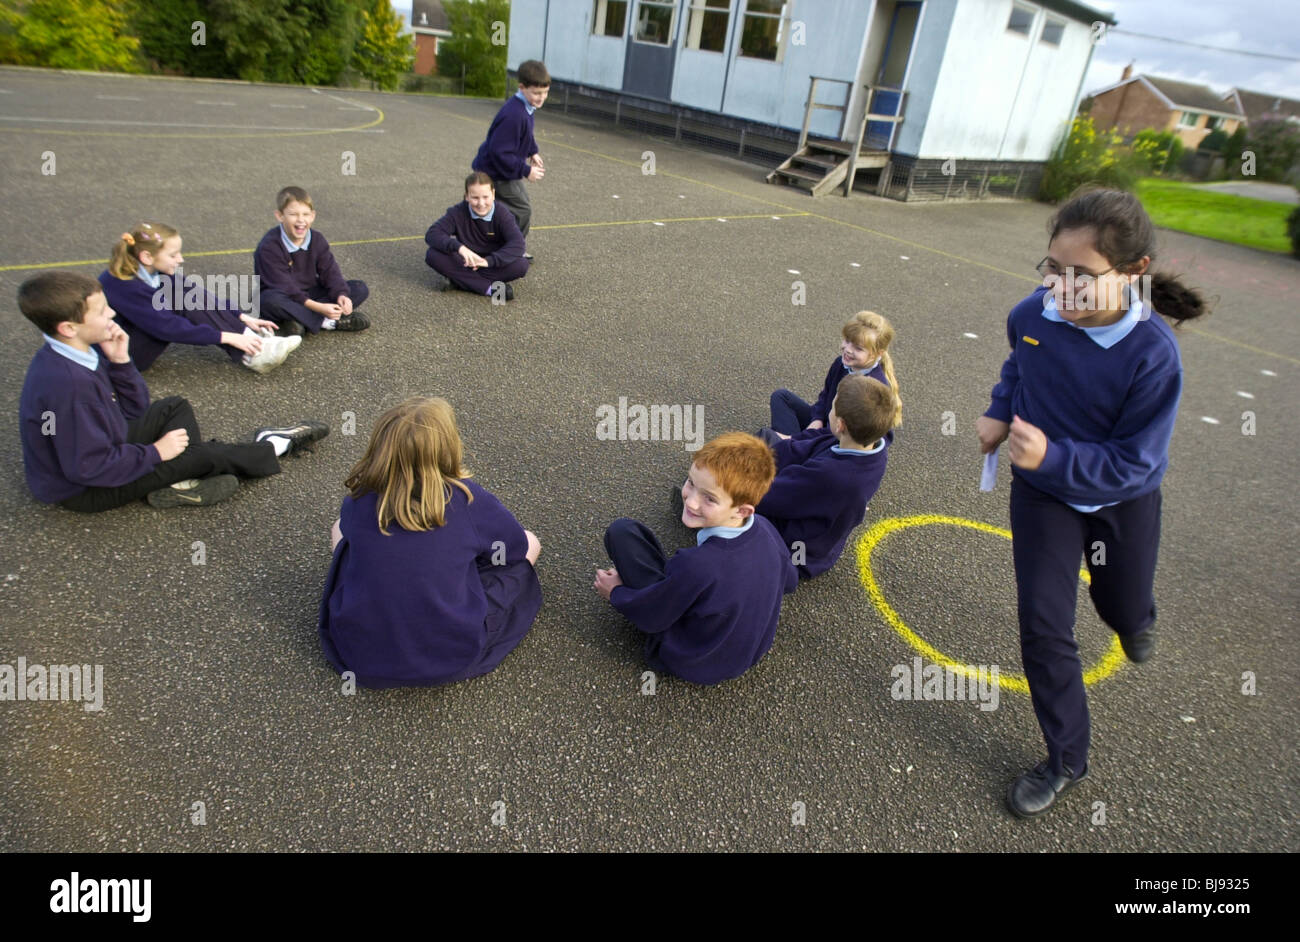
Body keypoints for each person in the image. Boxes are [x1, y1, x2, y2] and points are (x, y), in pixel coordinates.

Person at [975, 186, 1206, 818]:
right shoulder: (1034, 315)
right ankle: (1066, 759)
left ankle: (1135, 621)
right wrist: (1000, 412)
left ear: (1133, 274)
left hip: (1119, 503)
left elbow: (1138, 461)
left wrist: (1053, 455)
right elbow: (1017, 367)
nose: (1062, 287)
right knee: (1044, 630)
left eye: (1082, 275)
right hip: (1043, 497)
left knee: (1119, 602)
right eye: (1054, 268)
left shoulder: (1153, 353)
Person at [17, 271, 328, 512]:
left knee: (174, 408)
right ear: (68, 328)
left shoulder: (74, 351)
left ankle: (180, 479)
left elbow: (135, 409)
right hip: (83, 490)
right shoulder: (69, 387)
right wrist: (157, 452)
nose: (111, 314)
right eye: (101, 311)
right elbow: (88, 467)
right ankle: (273, 446)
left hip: (104, 445)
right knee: (201, 453)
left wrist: (122, 362)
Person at [319, 397, 543, 689]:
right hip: (452, 653)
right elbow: (516, 547)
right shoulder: (466, 499)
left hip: (362, 655)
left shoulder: (358, 499)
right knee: (531, 542)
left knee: (340, 530)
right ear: (448, 447)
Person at [594, 432, 798, 685]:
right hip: (747, 653)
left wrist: (616, 593)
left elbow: (654, 615)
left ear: (742, 510)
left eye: (709, 498)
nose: (690, 501)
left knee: (622, 532)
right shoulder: (766, 528)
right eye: (690, 482)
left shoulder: (697, 564)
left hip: (691, 659)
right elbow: (789, 580)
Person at [98, 222, 298, 373]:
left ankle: (252, 341)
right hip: (124, 354)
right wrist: (228, 336)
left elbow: (195, 292)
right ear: (147, 257)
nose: (180, 259)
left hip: (131, 339)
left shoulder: (148, 269)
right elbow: (168, 326)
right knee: (178, 298)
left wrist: (240, 317)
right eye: (173, 255)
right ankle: (254, 352)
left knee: (186, 293)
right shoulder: (124, 285)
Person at [757, 375, 895, 579]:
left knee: (727, 508)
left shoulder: (832, 475)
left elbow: (768, 498)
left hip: (797, 553)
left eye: (831, 408)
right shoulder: (867, 445)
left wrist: (732, 486)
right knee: (764, 440)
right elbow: (804, 443)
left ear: (840, 424)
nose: (828, 411)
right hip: (805, 505)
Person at [767, 310, 902, 441]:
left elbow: (845, 433)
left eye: (858, 348)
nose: (848, 349)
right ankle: (793, 446)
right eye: (847, 341)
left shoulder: (872, 389)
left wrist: (800, 437)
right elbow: (825, 395)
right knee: (781, 397)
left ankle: (791, 446)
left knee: (772, 439)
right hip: (827, 424)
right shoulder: (841, 363)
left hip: (840, 438)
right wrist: (817, 419)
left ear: (878, 353)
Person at [254, 185, 370, 335]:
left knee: (359, 288)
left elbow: (330, 272)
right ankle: (327, 322)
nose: (301, 220)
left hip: (309, 292)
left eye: (305, 214)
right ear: (280, 216)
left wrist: (341, 294)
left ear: (312, 216)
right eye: (293, 214)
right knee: (269, 302)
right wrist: (319, 308)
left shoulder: (317, 239)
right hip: (281, 294)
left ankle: (297, 320)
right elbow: (286, 287)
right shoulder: (269, 246)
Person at [472, 59, 549, 255]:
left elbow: (526, 135)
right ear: (522, 87)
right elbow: (500, 152)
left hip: (503, 170)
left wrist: (533, 151)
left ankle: (507, 246)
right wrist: (526, 171)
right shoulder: (514, 115)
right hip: (494, 172)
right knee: (522, 210)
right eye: (537, 93)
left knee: (517, 207)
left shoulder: (526, 107)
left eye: (545, 93)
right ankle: (511, 250)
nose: (541, 98)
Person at [424, 172, 529, 301]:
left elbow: (518, 244)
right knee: (433, 255)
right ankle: (489, 288)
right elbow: (432, 234)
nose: (481, 203)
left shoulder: (503, 214)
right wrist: (460, 248)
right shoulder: (457, 212)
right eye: (475, 197)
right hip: (466, 261)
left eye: (486, 197)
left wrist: (488, 261)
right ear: (466, 196)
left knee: (521, 265)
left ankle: (459, 281)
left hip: (492, 264)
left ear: (493, 194)